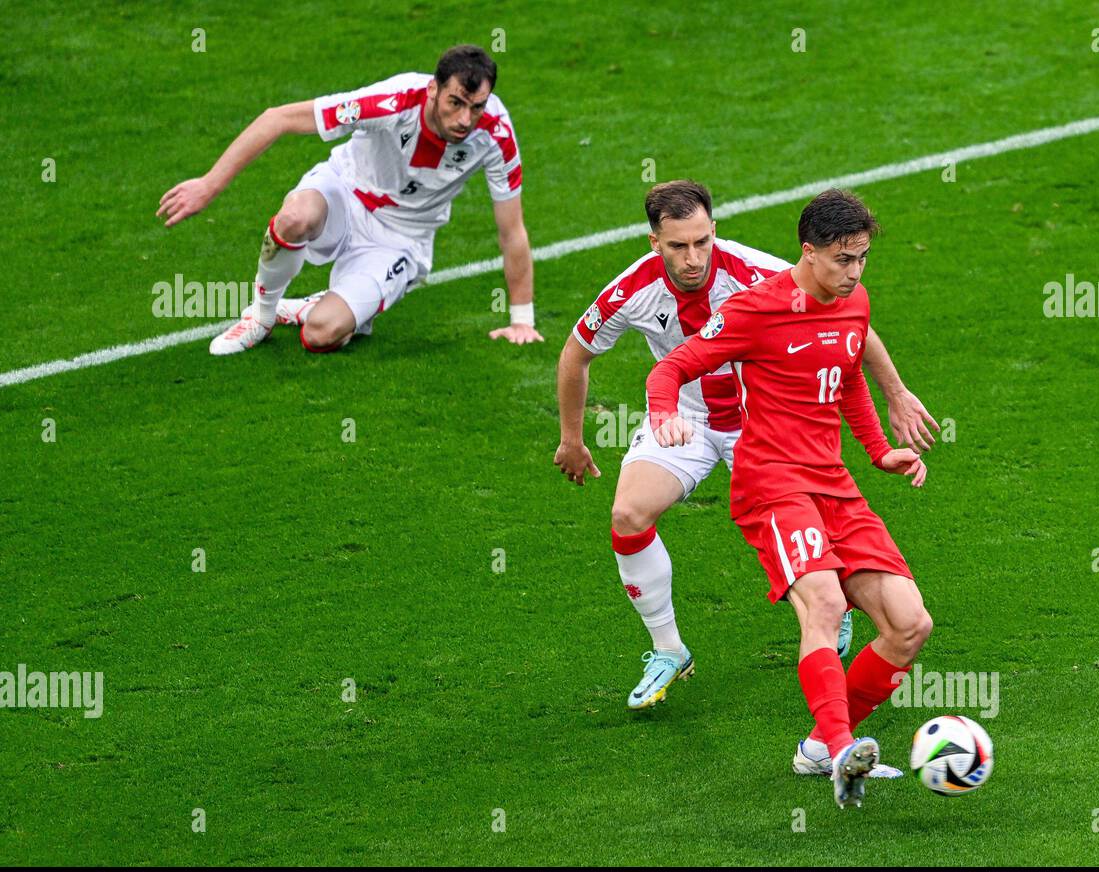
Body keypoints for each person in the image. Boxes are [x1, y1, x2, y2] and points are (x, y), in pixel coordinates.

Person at [557, 181, 936, 720]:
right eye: (677, 246)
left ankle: (831, 612)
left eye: (703, 241)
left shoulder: (759, 273)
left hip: (761, 425)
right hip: (684, 421)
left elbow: (845, 322)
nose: (693, 258)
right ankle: (669, 649)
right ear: (652, 242)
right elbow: (576, 354)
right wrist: (573, 439)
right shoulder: (629, 291)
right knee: (626, 513)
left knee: (833, 574)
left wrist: (895, 393)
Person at [646, 189, 933, 807]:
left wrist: (880, 450)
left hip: (833, 484)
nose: (854, 273)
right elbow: (670, 368)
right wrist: (665, 415)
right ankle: (839, 750)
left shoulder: (852, 303)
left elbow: (848, 375)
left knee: (909, 625)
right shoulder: (754, 310)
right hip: (771, 484)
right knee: (824, 605)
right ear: (808, 251)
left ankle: (818, 749)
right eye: (842, 260)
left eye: (862, 259)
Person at [156, 45, 541, 355]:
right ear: (432, 89)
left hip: (401, 238)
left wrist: (522, 319)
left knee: (322, 335)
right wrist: (209, 185)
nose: (464, 119)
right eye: (455, 102)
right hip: (345, 190)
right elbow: (278, 118)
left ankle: (312, 308)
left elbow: (512, 230)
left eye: (477, 106)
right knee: (295, 218)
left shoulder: (496, 134)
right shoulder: (390, 102)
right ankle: (261, 316)